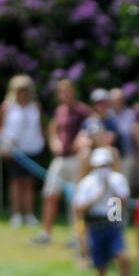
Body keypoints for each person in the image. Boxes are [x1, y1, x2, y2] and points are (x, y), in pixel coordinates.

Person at [34, 78, 93, 244]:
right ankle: (46, 233)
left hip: (77, 160)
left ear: (74, 92)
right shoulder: (60, 111)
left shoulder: (83, 111)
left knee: (76, 198)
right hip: (60, 159)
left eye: (68, 91)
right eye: (62, 92)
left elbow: (92, 129)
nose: (65, 95)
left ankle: (76, 235)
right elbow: (53, 129)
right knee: (50, 194)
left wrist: (82, 140)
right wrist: (54, 142)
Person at [73, 147, 131, 276]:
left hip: (113, 222)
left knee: (122, 257)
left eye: (105, 165)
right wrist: (99, 194)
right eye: (100, 165)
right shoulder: (87, 183)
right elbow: (79, 208)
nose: (103, 168)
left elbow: (123, 203)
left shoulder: (118, 179)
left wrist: (110, 188)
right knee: (100, 264)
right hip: (95, 224)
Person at [0, 74, 45, 228]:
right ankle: (16, 214)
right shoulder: (7, 106)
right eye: (19, 90)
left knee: (29, 183)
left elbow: (41, 127)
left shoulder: (36, 106)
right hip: (15, 151)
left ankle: (29, 215)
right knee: (16, 182)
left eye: (25, 90)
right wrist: (3, 145)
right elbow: (0, 128)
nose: (22, 94)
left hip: (33, 148)